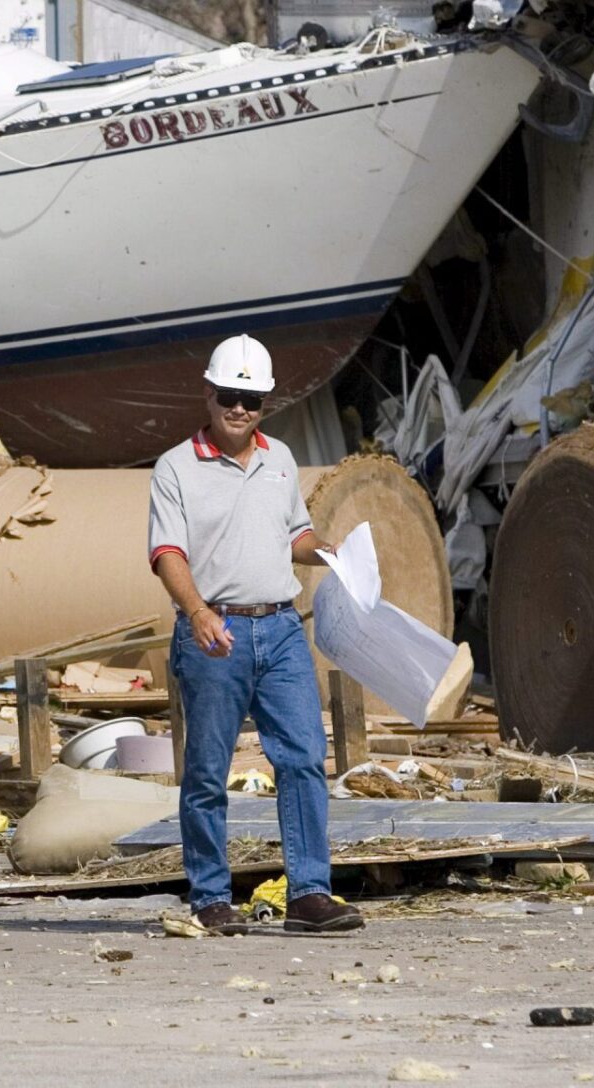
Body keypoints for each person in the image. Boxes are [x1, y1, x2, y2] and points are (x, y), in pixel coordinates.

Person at [146, 333, 363, 936]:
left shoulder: (282, 460)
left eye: (252, 399)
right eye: (228, 396)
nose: (239, 408)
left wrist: (329, 551)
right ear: (208, 394)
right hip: (215, 631)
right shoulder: (175, 468)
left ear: (265, 403)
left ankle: (310, 894)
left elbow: (294, 535)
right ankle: (211, 898)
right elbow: (167, 553)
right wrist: (196, 612)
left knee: (303, 759)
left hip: (282, 628)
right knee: (208, 769)